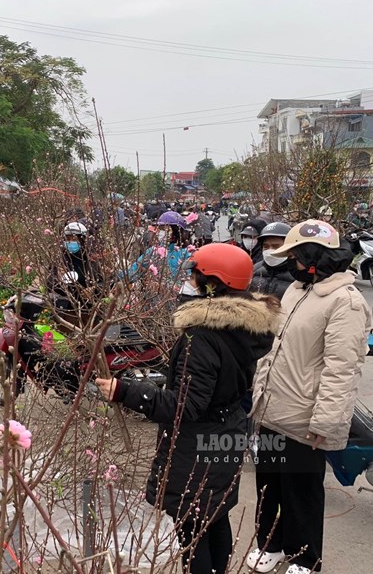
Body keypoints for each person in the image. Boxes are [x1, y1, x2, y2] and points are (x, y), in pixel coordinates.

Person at [96, 243, 280, 574]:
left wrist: (125, 390)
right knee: (215, 517)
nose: (190, 283)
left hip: (199, 445)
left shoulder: (203, 336)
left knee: (193, 531)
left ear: (212, 283)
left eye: (195, 277)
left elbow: (185, 407)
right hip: (229, 430)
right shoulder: (245, 328)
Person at [250, 219, 370, 574]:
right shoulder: (298, 290)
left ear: (314, 256)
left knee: (302, 491)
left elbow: (341, 368)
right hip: (273, 408)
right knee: (269, 485)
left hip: (304, 416)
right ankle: (270, 545)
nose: (288, 262)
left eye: (294, 256)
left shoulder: (344, 302)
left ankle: (304, 556)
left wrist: (327, 421)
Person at [47, 221, 105, 326]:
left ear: (82, 240)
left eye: (74, 239)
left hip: (89, 312)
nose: (70, 242)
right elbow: (50, 284)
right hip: (66, 312)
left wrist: (93, 290)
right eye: (68, 239)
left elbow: (103, 284)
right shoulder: (60, 260)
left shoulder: (92, 261)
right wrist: (66, 287)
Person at [249, 222, 294, 300]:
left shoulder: (297, 275)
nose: (270, 250)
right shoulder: (255, 270)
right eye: (266, 246)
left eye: (276, 246)